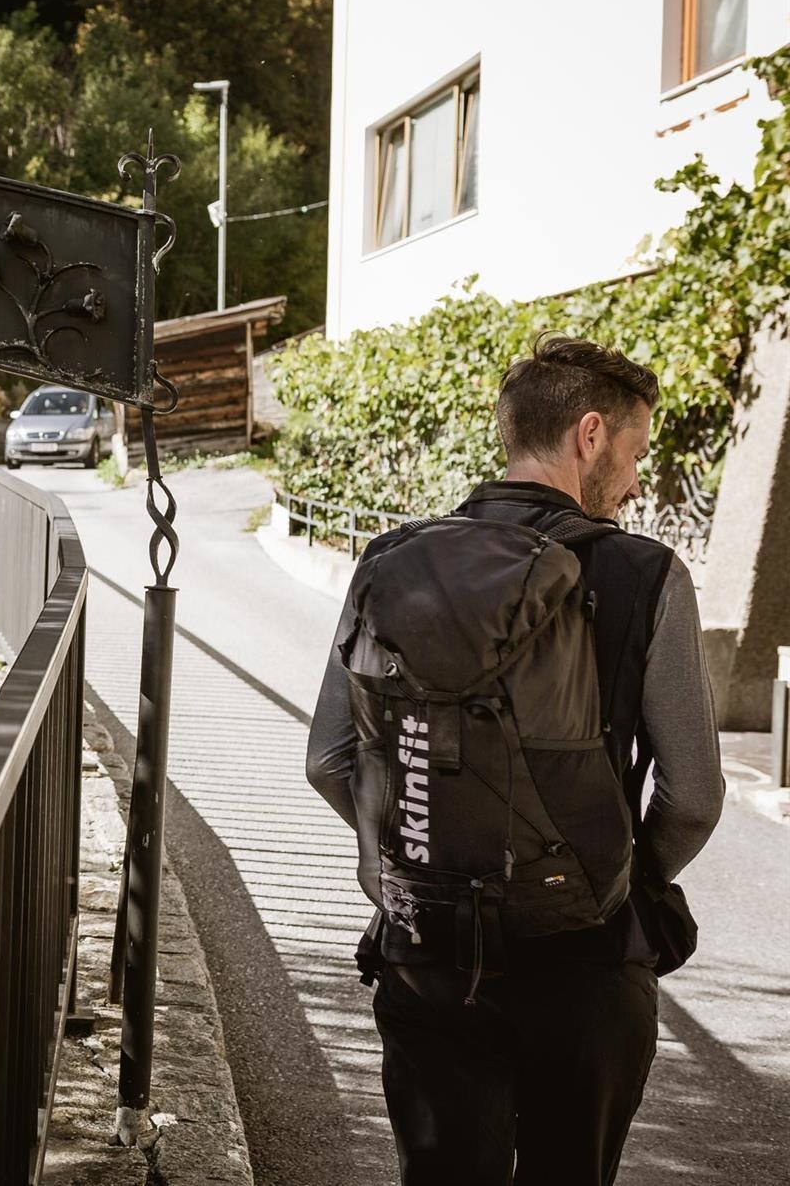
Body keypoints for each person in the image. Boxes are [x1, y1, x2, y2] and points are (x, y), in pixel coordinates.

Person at [305, 334, 722, 1186]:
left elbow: (328, 758)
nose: (639, 481)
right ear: (592, 434)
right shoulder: (647, 576)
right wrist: (619, 877)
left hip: (428, 955)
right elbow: (695, 796)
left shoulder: (392, 561)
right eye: (638, 455)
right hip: (586, 962)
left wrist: (419, 848)